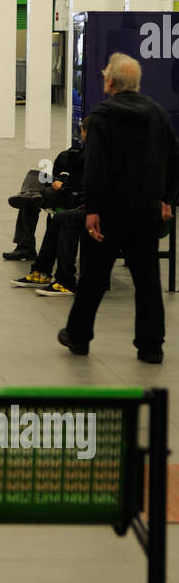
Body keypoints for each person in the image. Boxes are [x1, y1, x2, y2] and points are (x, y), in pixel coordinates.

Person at [59, 53, 179, 362]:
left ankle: (78, 336)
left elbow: (96, 167)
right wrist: (166, 199)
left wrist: (93, 210)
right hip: (146, 211)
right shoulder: (156, 113)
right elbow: (175, 159)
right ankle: (152, 346)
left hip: (110, 212)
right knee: (148, 281)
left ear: (111, 81)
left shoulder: (104, 115)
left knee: (94, 278)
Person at [11, 121, 89, 295]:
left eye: (82, 130)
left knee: (52, 213)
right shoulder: (84, 151)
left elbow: (84, 185)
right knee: (34, 176)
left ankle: (32, 196)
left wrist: (63, 185)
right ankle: (31, 194)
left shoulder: (97, 155)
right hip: (69, 188)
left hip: (71, 195)